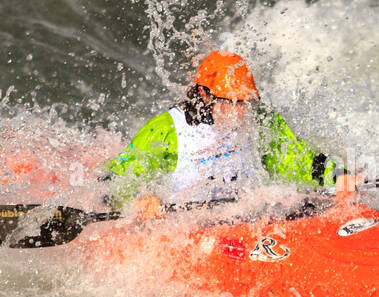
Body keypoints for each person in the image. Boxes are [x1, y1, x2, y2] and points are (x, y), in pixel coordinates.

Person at [102, 51, 360, 210]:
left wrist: (337, 176)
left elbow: (296, 157)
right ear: (204, 94)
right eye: (231, 103)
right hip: (191, 232)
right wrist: (137, 199)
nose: (240, 113)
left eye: (245, 103)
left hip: (245, 221)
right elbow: (117, 180)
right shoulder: (165, 130)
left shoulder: (259, 120)